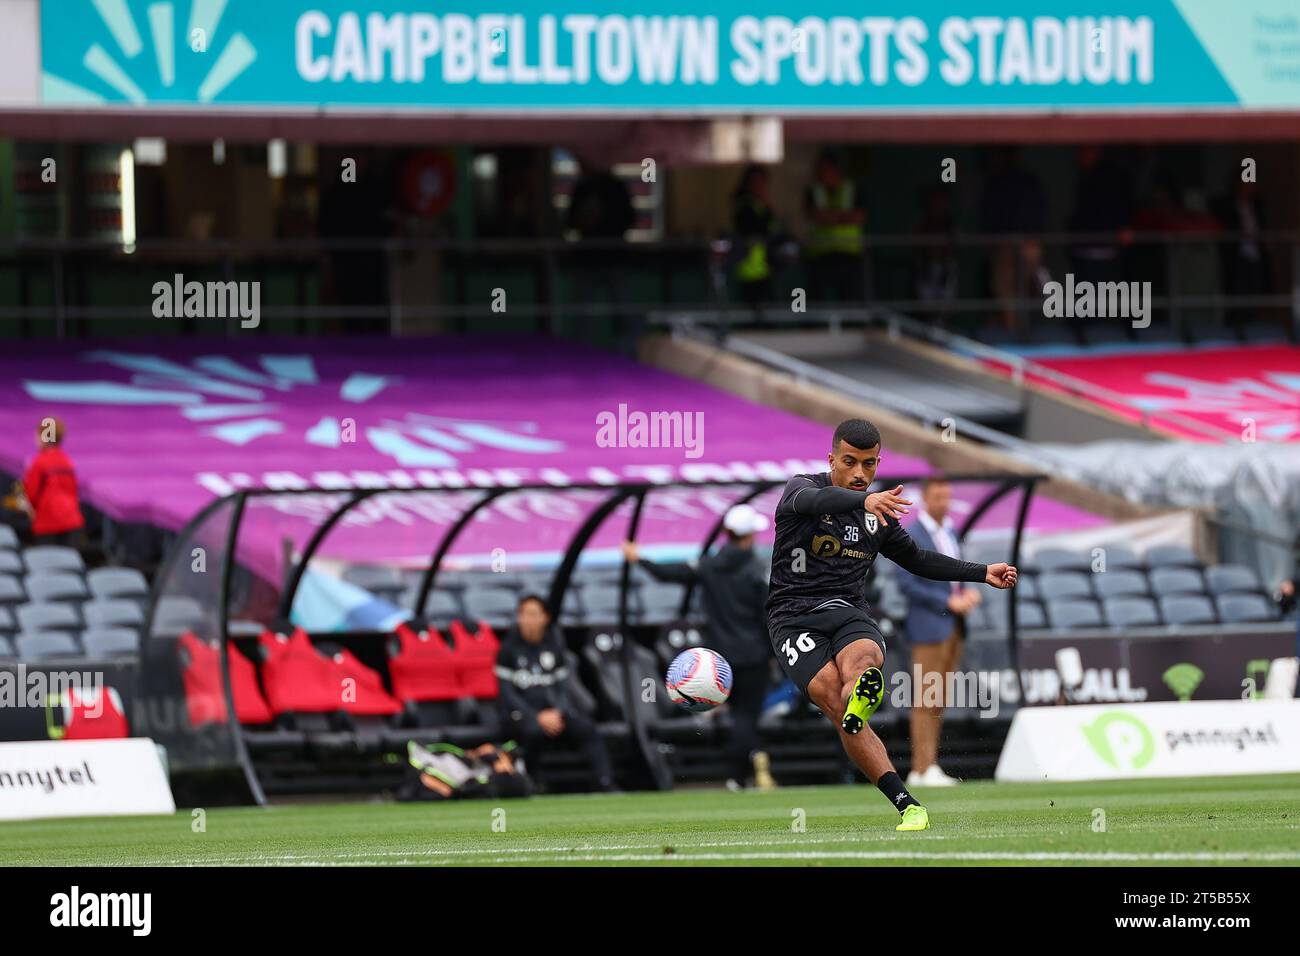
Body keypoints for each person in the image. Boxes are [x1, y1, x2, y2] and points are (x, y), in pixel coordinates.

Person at [765, 419, 1017, 831]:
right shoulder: (800, 489)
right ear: (831, 459)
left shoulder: (878, 516)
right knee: (832, 697)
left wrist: (981, 571)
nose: (860, 474)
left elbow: (918, 559)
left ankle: (863, 699)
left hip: (848, 611)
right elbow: (817, 501)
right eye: (849, 462)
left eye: (869, 464)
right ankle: (903, 798)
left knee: (863, 658)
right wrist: (859, 502)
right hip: (793, 618)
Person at [620, 503, 775, 791]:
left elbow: (671, 573)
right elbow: (768, 614)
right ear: (750, 535)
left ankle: (739, 770)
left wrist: (638, 558)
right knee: (746, 716)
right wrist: (772, 652)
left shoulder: (710, 565)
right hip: (753, 654)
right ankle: (739, 773)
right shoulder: (756, 569)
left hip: (719, 657)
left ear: (727, 533)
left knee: (727, 713)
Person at [894, 476, 981, 788]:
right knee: (925, 697)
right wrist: (947, 600)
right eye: (939, 496)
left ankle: (929, 765)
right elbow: (906, 583)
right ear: (926, 499)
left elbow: (957, 572)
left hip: (954, 626)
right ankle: (921, 767)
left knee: (939, 697)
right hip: (928, 625)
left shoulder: (951, 532)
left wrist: (967, 591)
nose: (945, 502)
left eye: (948, 496)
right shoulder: (912, 534)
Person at [495, 594, 617, 793]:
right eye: (523, 614)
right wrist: (537, 716)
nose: (527, 620)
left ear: (545, 618)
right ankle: (532, 783)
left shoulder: (553, 648)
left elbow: (562, 689)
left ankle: (605, 782)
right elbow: (507, 695)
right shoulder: (508, 649)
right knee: (533, 730)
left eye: (533, 614)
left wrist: (558, 712)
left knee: (587, 727)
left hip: (554, 715)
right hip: (520, 716)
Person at [803, 150, 865, 304]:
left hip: (849, 253)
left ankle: (852, 327)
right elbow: (813, 216)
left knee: (850, 298)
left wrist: (828, 216)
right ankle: (816, 327)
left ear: (835, 169)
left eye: (824, 169)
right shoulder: (812, 191)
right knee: (817, 298)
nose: (820, 174)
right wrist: (843, 216)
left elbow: (858, 217)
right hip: (820, 254)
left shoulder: (853, 189)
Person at [22, 417, 85, 547]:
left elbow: (32, 494)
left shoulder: (39, 463)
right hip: (71, 520)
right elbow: (73, 491)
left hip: (48, 523)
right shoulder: (67, 461)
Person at [731, 165, 776, 310]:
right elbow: (756, 230)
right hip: (748, 267)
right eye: (756, 182)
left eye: (763, 182)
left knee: (766, 309)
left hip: (764, 266)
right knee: (752, 310)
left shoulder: (761, 205)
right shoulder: (744, 205)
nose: (760, 186)